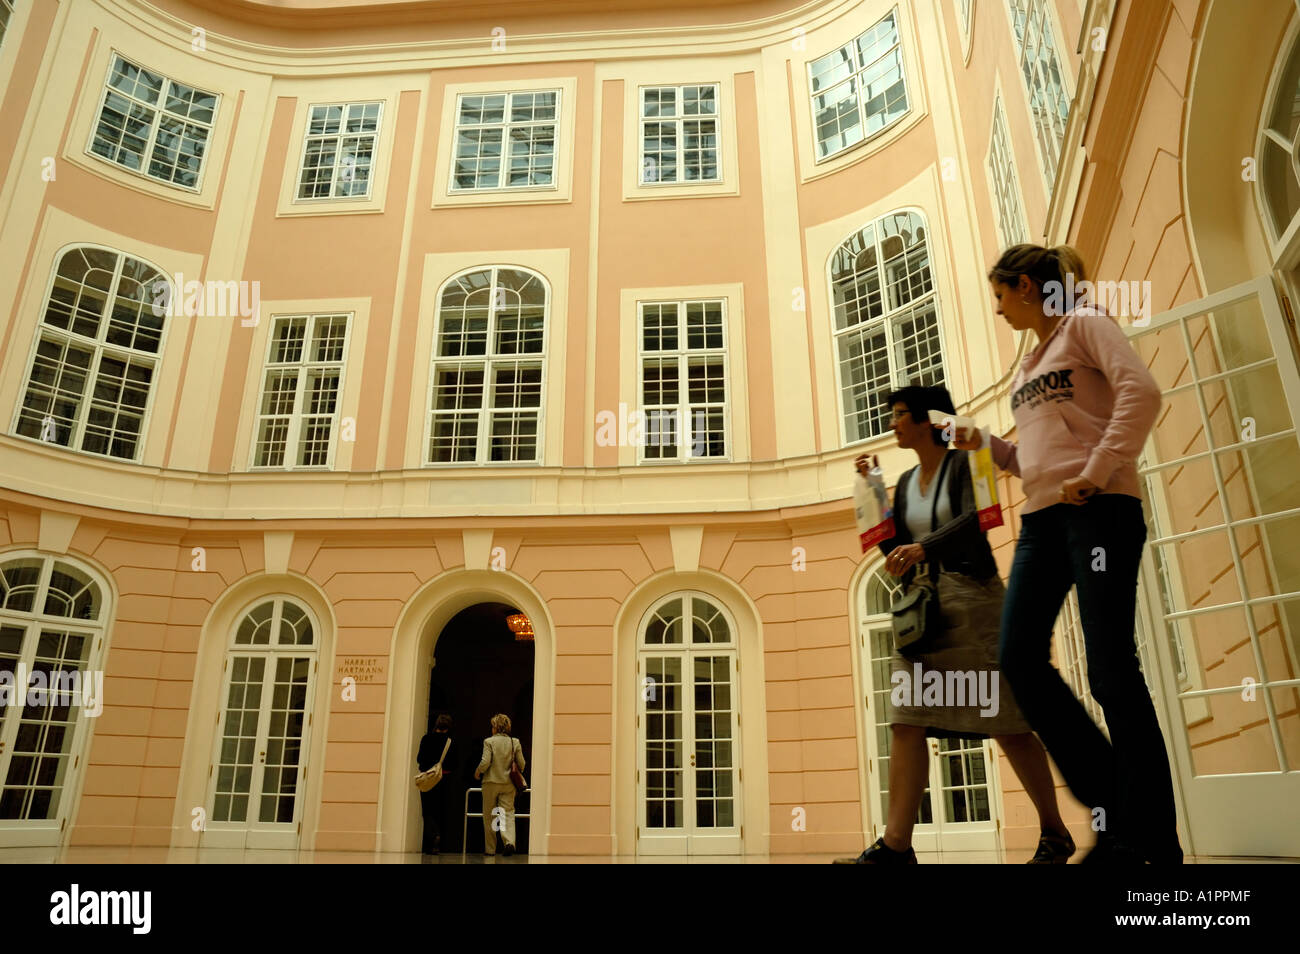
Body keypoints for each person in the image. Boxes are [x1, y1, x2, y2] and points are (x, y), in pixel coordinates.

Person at [951, 243, 1181, 864]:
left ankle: (1149, 840)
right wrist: (990, 445)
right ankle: (1113, 806)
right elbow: (1033, 463)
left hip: (1098, 510)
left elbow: (1143, 391)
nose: (997, 310)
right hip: (1042, 521)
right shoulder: (1027, 368)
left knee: (1110, 671)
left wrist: (1102, 469)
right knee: (1018, 659)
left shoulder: (1086, 323)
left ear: (1025, 286)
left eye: (999, 296)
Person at [836, 384, 1074, 864]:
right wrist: (874, 493)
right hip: (923, 610)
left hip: (976, 601)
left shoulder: (968, 459)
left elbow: (980, 519)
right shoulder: (902, 484)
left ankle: (1054, 832)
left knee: (1006, 720)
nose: (893, 423)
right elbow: (895, 552)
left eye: (901, 414)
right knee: (907, 720)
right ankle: (896, 847)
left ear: (928, 420)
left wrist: (925, 548)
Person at [474, 713, 526, 856]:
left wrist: (478, 772)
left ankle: (490, 849)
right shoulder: (514, 742)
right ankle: (509, 842)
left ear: (495, 727)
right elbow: (522, 764)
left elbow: (485, 762)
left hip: (490, 782)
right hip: (508, 784)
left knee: (489, 816)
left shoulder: (489, 742)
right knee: (507, 813)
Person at [416, 713, 456, 855]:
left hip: (428, 778)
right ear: (448, 727)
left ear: (436, 725)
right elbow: (453, 763)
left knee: (427, 812)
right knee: (441, 810)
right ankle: (439, 843)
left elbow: (419, 759)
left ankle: (431, 839)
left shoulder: (426, 739)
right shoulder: (450, 742)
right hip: (443, 780)